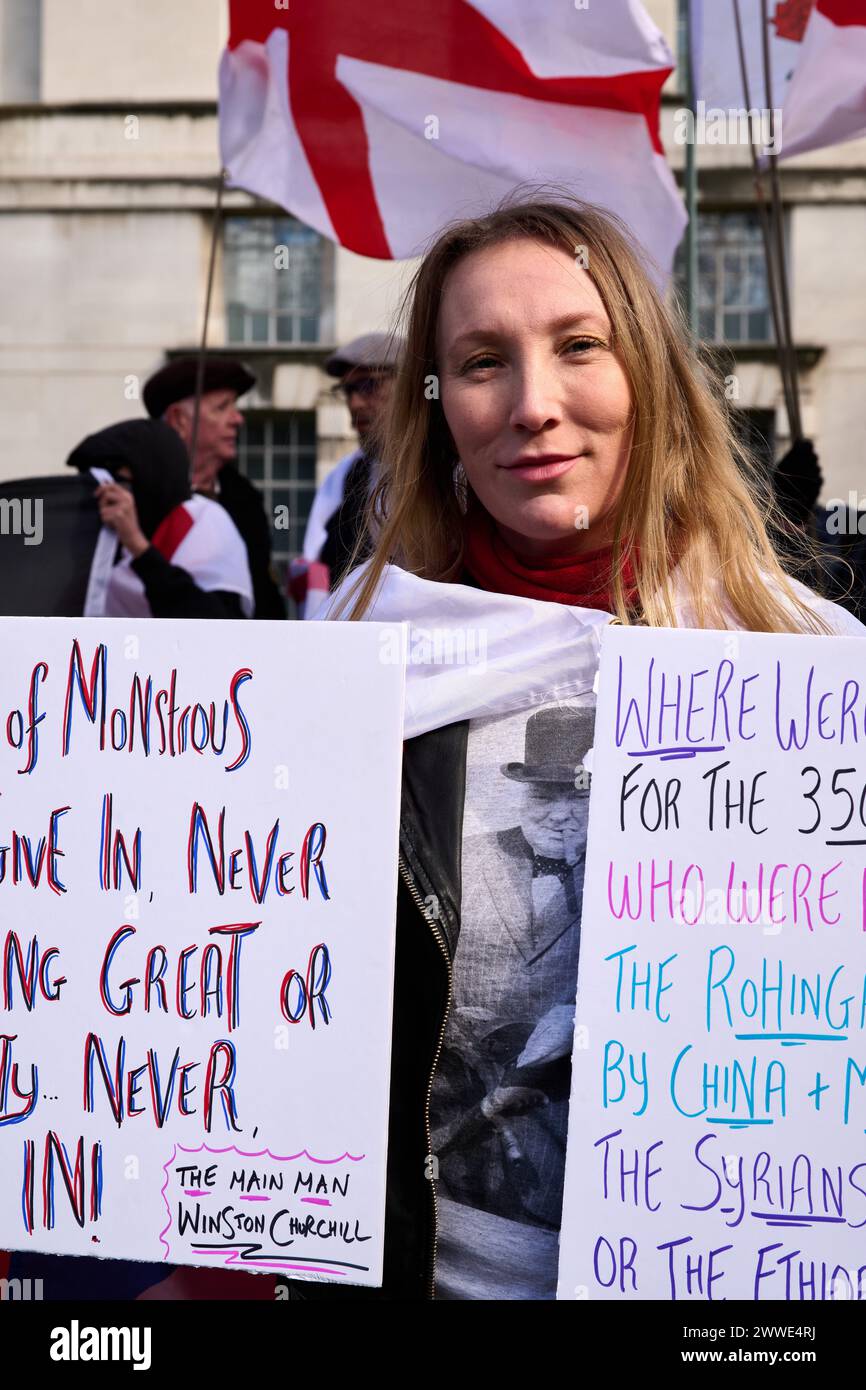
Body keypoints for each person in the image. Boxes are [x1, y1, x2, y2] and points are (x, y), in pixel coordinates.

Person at [289, 196, 865, 1303]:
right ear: (436, 404)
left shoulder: (812, 667)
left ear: (647, 372)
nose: (532, 407)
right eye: (478, 362)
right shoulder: (344, 675)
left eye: (577, 346)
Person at [144, 355, 286, 619]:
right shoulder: (140, 494)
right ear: (179, 420)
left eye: (234, 407)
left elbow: (263, 591)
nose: (238, 419)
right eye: (222, 408)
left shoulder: (244, 498)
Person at [66, 418, 253, 619]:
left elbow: (218, 626)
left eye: (118, 484)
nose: (107, 499)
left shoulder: (203, 522)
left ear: (149, 478)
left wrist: (138, 547)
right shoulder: (97, 541)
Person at [293, 332, 401, 616]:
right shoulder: (344, 477)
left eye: (369, 386)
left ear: (410, 386)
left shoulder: (453, 469)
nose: (354, 404)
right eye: (348, 391)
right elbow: (317, 569)